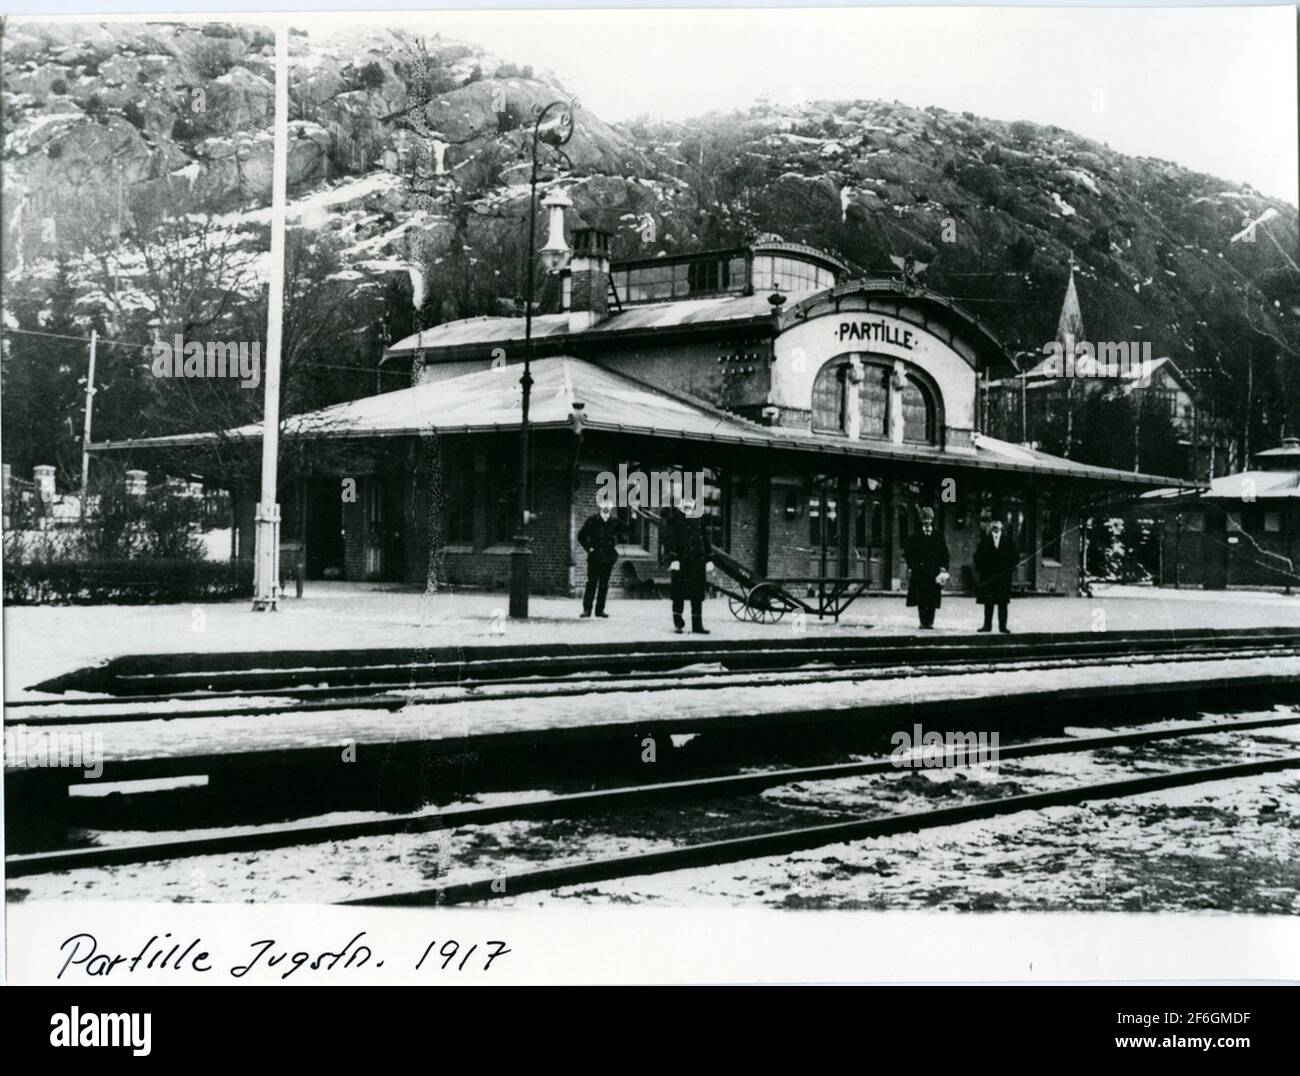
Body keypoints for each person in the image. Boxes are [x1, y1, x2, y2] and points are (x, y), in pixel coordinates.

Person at [662, 494, 714, 634]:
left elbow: (705, 540)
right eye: (686, 501)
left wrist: (709, 559)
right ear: (681, 502)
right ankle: (678, 623)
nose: (688, 504)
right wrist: (673, 559)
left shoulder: (699, 519)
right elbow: (669, 539)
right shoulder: (674, 519)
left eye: (691, 501)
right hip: (681, 563)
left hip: (697, 563)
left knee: (697, 595)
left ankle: (697, 625)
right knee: (678, 594)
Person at [904, 506, 949, 629]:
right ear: (921, 520)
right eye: (924, 519)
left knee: (933, 598)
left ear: (932, 520)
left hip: (934, 573)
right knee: (921, 598)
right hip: (920, 572)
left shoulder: (938, 536)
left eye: (929, 519)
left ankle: (930, 622)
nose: (927, 521)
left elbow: (945, 553)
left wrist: (943, 567)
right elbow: (908, 553)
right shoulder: (915, 536)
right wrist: (913, 566)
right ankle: (923, 622)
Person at [577, 496, 620, 618]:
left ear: (612, 507)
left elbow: (629, 529)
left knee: (604, 584)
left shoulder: (614, 522)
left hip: (608, 559)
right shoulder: (592, 520)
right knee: (591, 583)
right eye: (604, 505)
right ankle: (587, 609)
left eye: (609, 505)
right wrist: (588, 547)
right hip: (595, 558)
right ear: (601, 506)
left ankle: (600, 610)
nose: (607, 507)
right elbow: (581, 536)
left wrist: (633, 515)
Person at [974, 517, 1019, 633]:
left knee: (1003, 603)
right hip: (989, 578)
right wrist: (984, 572)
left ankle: (1002, 627)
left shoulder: (1008, 542)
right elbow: (977, 558)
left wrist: (1008, 572)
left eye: (998, 523)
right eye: (993, 523)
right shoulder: (984, 541)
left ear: (1002, 526)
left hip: (1003, 579)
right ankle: (987, 626)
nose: (995, 525)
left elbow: (1015, 558)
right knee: (988, 603)